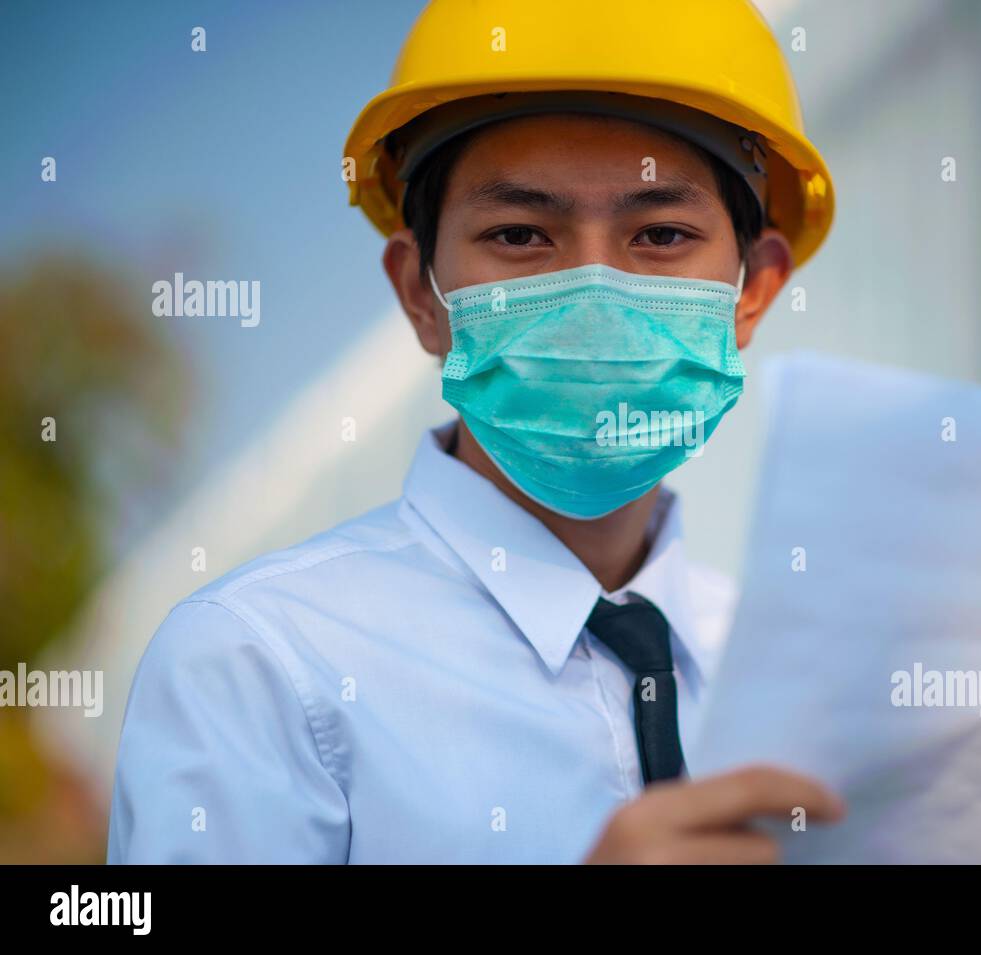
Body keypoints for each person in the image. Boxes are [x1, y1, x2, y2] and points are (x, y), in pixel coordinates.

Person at [108, 0, 843, 864]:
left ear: (751, 291)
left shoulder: (815, 687)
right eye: (521, 234)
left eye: (661, 234)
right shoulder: (258, 664)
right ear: (422, 294)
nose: (592, 299)